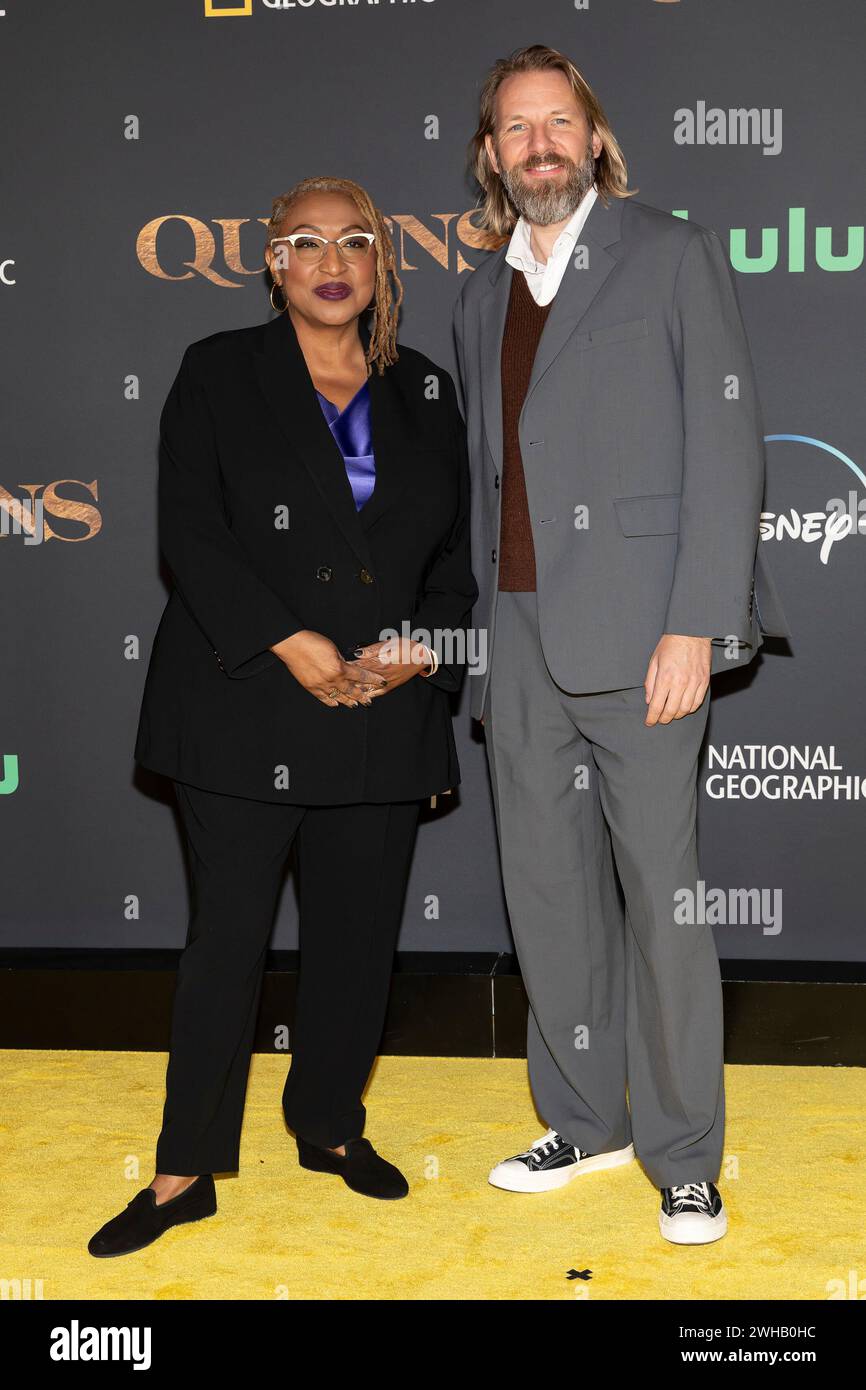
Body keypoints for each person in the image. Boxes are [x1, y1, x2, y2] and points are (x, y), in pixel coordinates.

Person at [88, 176, 477, 1257]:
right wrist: (287, 641)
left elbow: (456, 560)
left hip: (379, 713)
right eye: (304, 242)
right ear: (271, 263)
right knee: (225, 946)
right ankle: (181, 1170)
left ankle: (329, 1127)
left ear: (381, 261)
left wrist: (417, 649)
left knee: (357, 943)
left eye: (354, 239)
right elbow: (192, 532)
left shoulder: (428, 392)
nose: (330, 259)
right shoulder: (217, 371)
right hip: (243, 702)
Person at [453, 46, 789, 1245]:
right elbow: (491, 485)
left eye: (558, 121)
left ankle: (685, 1154)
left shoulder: (670, 251)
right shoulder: (480, 290)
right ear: (491, 153)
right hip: (522, 632)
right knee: (546, 898)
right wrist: (485, 639)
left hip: (647, 630)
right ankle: (583, 1116)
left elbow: (728, 444)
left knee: (664, 903)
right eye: (514, 126)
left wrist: (696, 620)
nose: (538, 141)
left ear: (592, 137)